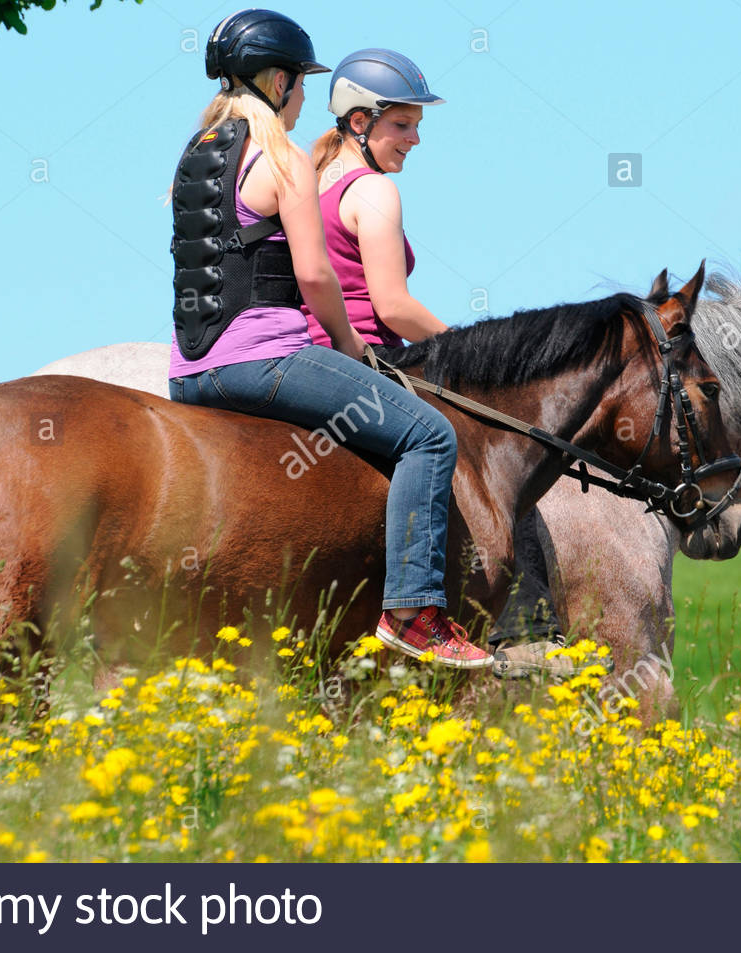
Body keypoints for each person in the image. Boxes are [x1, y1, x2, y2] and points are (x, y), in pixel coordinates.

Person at [167, 10, 490, 669]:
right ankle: (414, 615)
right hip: (265, 361)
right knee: (430, 436)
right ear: (278, 82)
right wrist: (347, 345)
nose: (303, 98)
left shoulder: (193, 159)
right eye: (301, 83)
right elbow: (314, 276)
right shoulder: (282, 159)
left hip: (189, 371)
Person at [304, 49, 568, 678]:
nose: (415, 139)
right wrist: (474, 354)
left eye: (417, 126)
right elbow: (392, 305)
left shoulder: (314, 184)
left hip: (318, 354)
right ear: (360, 122)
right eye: (403, 125)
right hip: (376, 355)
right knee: (503, 444)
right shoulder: (373, 190)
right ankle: (528, 633)